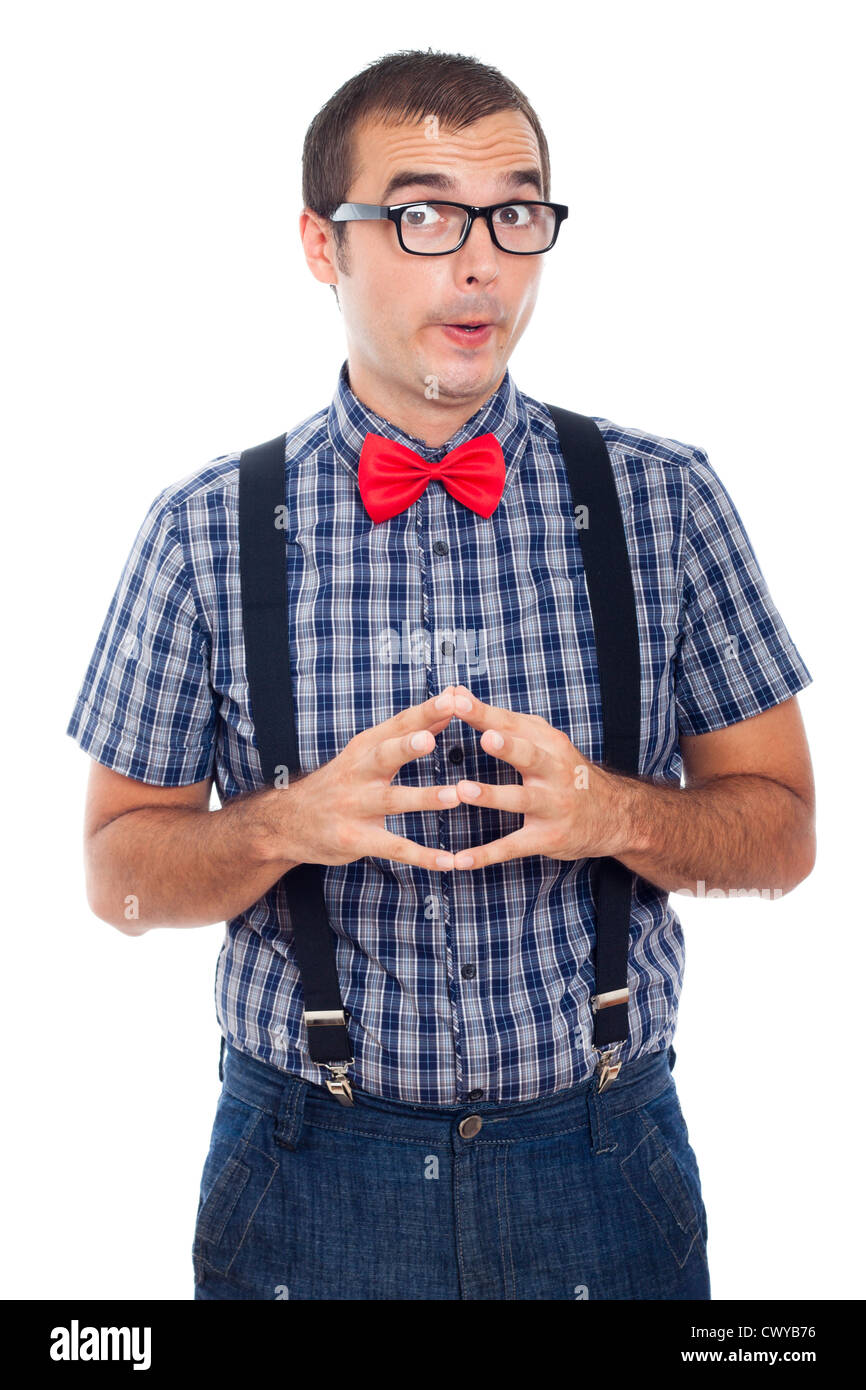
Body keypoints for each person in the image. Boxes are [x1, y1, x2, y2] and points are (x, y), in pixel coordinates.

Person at [66, 49, 816, 1301]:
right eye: (421, 215)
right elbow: (114, 873)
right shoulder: (201, 527)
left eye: (513, 214)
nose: (478, 264)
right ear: (323, 245)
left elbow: (783, 835)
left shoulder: (663, 501)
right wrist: (285, 825)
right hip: (304, 1168)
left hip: (600, 1160)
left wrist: (614, 812)